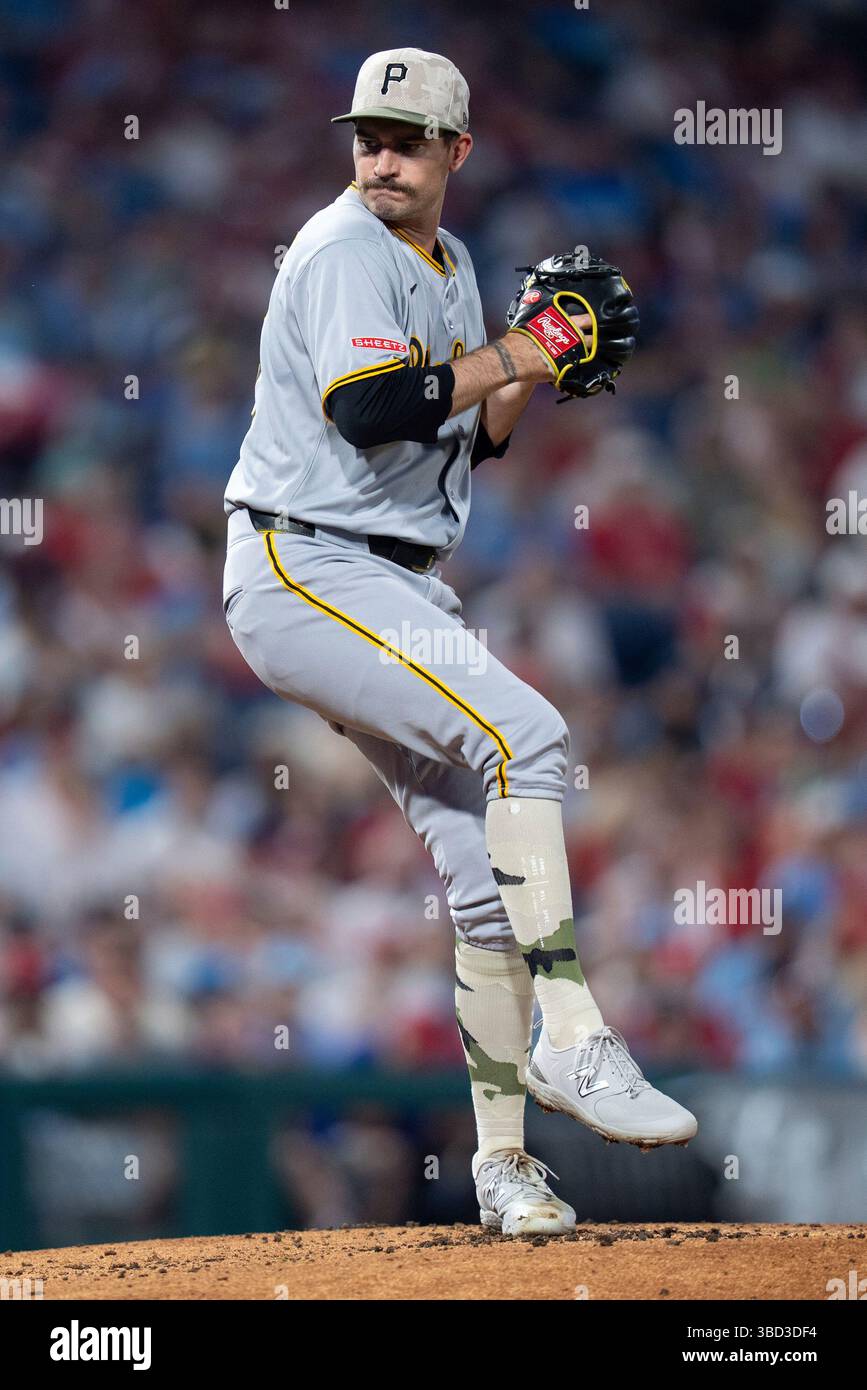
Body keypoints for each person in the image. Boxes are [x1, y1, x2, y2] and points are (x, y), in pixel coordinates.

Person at [222, 46, 697, 1237]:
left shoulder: (452, 259)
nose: (381, 155)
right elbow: (371, 408)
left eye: (407, 138)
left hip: (390, 580)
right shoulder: (341, 250)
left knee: (488, 881)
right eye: (367, 135)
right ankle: (578, 1034)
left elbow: (467, 438)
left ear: (456, 154)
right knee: (528, 736)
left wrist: (534, 356)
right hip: (303, 562)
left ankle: (502, 1168)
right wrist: (529, 348)